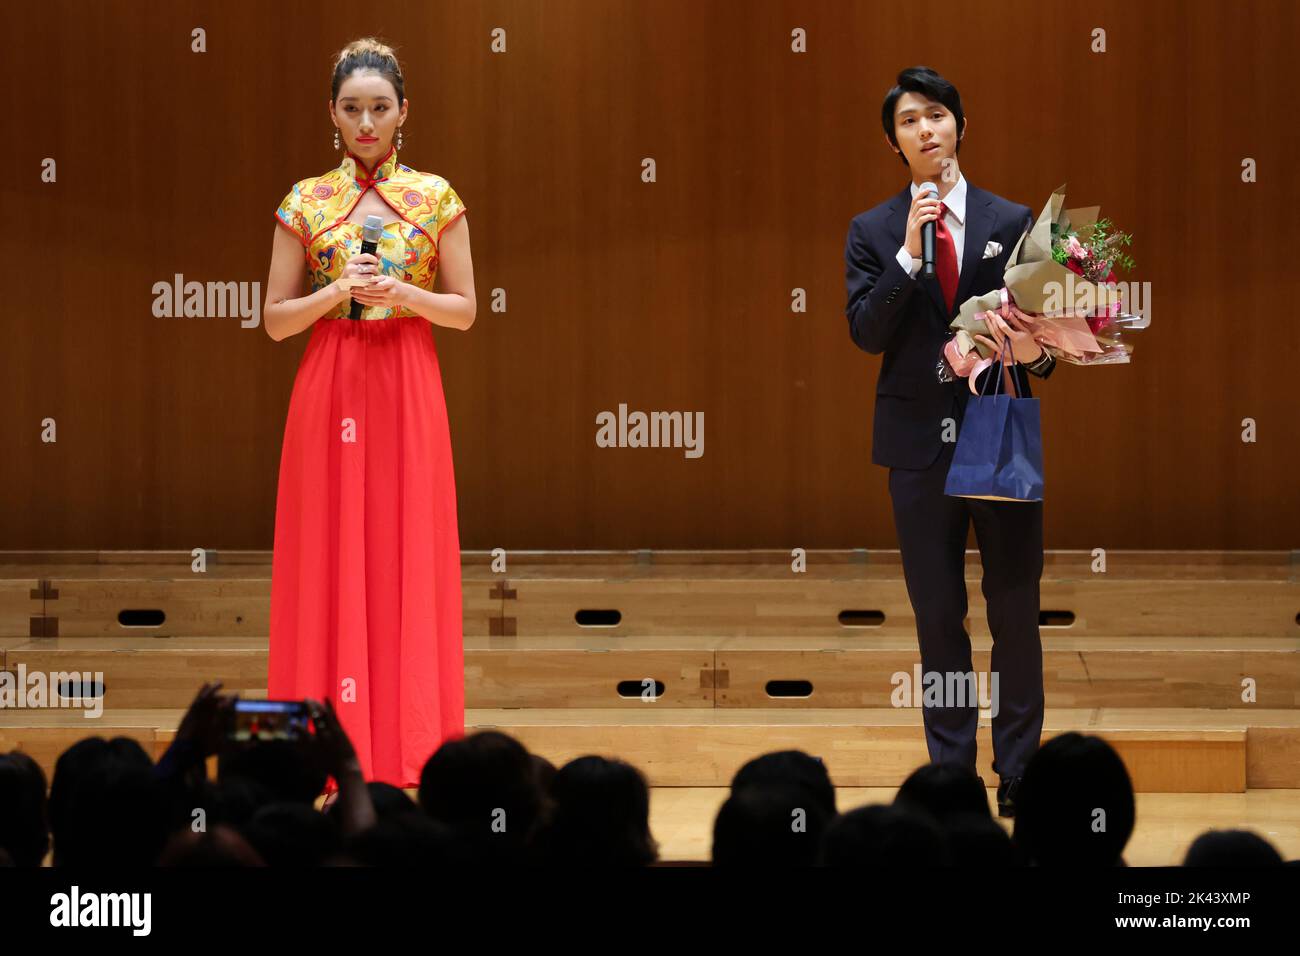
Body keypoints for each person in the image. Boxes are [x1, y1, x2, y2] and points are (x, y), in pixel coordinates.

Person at [263, 38, 476, 789]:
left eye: (378, 108)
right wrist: (334, 294)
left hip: (407, 383)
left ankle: (412, 747)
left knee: (404, 546)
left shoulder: (436, 197)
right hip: (332, 383)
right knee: (326, 549)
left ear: (403, 113)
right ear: (332, 112)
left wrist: (406, 296)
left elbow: (466, 310)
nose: (365, 122)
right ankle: (315, 751)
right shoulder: (304, 200)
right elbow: (275, 320)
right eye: (351, 108)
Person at [842, 66, 1055, 817]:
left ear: (960, 126)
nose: (926, 130)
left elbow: (1050, 345)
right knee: (939, 619)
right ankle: (951, 779)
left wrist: (1036, 351)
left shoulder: (1014, 219)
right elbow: (867, 332)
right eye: (909, 122)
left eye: (936, 115)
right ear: (895, 143)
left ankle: (1021, 772)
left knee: (1014, 610)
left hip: (999, 434)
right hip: (916, 449)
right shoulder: (873, 231)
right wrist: (907, 254)